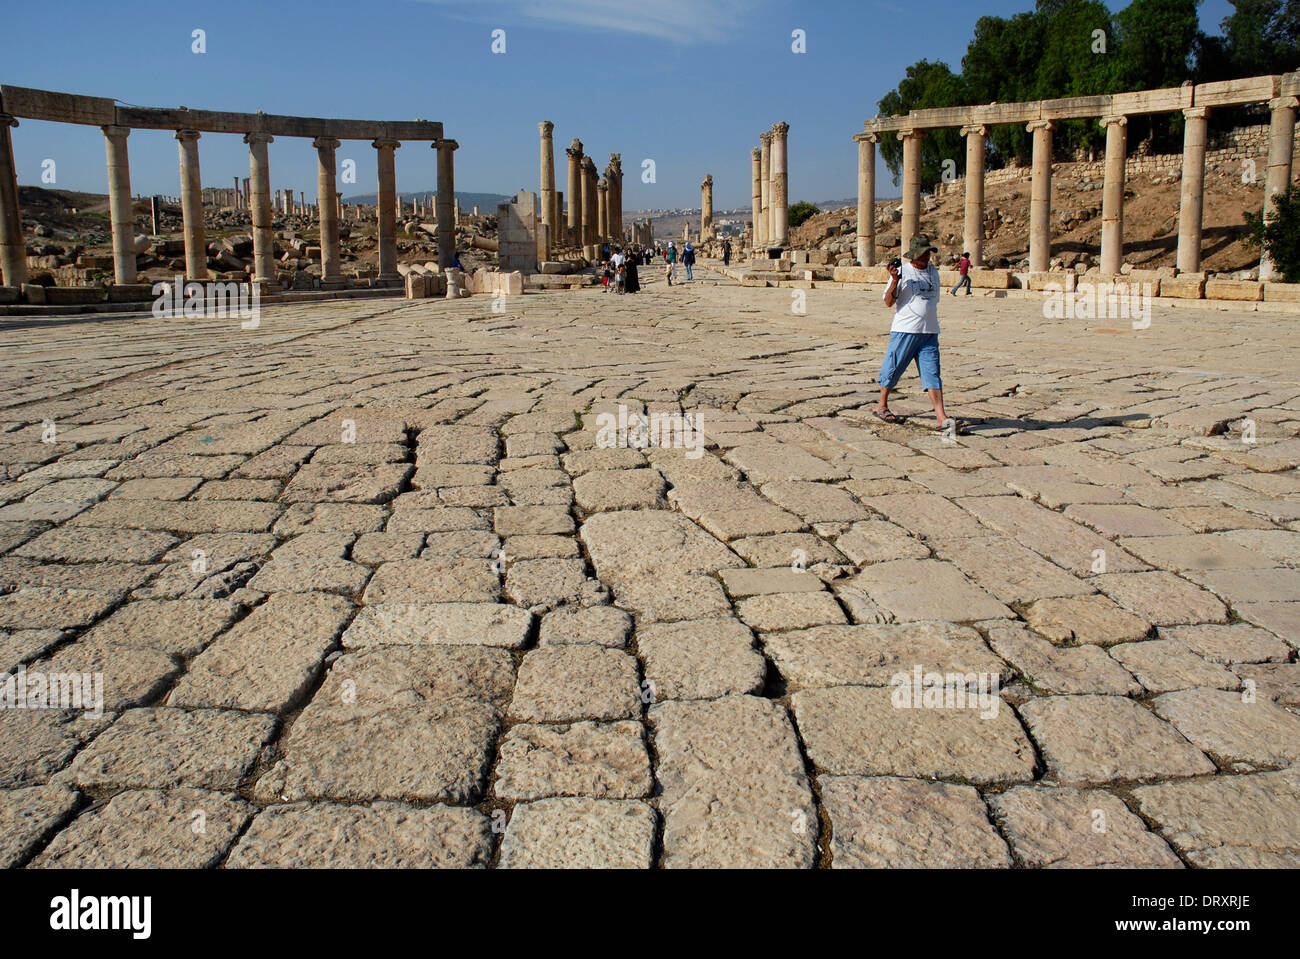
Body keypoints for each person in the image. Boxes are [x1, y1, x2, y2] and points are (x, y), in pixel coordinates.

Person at [875, 234, 952, 431]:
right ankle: (882, 405)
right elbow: (888, 302)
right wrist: (894, 280)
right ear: (913, 255)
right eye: (924, 253)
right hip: (905, 329)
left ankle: (941, 416)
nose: (927, 256)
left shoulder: (933, 272)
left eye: (929, 253)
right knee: (893, 368)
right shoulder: (902, 272)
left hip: (929, 331)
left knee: (932, 373)